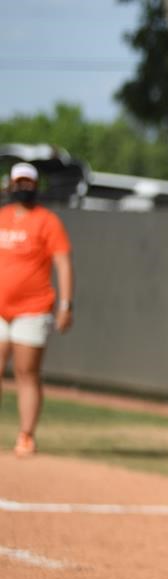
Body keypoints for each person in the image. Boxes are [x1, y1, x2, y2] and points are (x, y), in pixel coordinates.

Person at [0, 163, 74, 458]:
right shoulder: (2, 217)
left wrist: (66, 304)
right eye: (19, 182)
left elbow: (63, 263)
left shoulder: (47, 221)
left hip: (33, 307)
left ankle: (26, 435)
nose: (23, 188)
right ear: (10, 184)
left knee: (26, 371)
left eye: (28, 183)